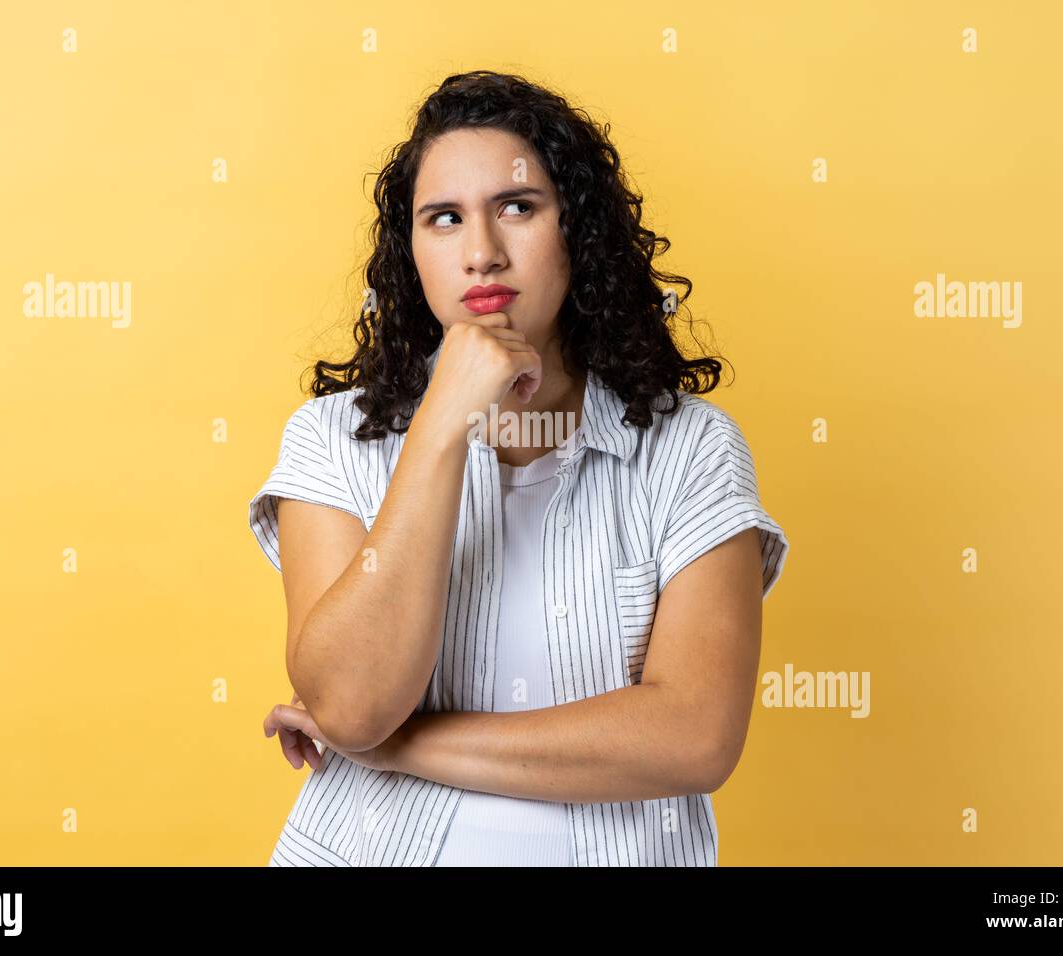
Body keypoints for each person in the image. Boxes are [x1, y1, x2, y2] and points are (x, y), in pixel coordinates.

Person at [252, 70, 789, 866]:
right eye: (444, 219)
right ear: (413, 253)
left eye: (517, 207)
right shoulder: (335, 439)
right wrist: (439, 425)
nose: (481, 253)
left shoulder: (691, 452)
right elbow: (354, 703)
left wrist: (400, 749)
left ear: (578, 231)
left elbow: (694, 739)